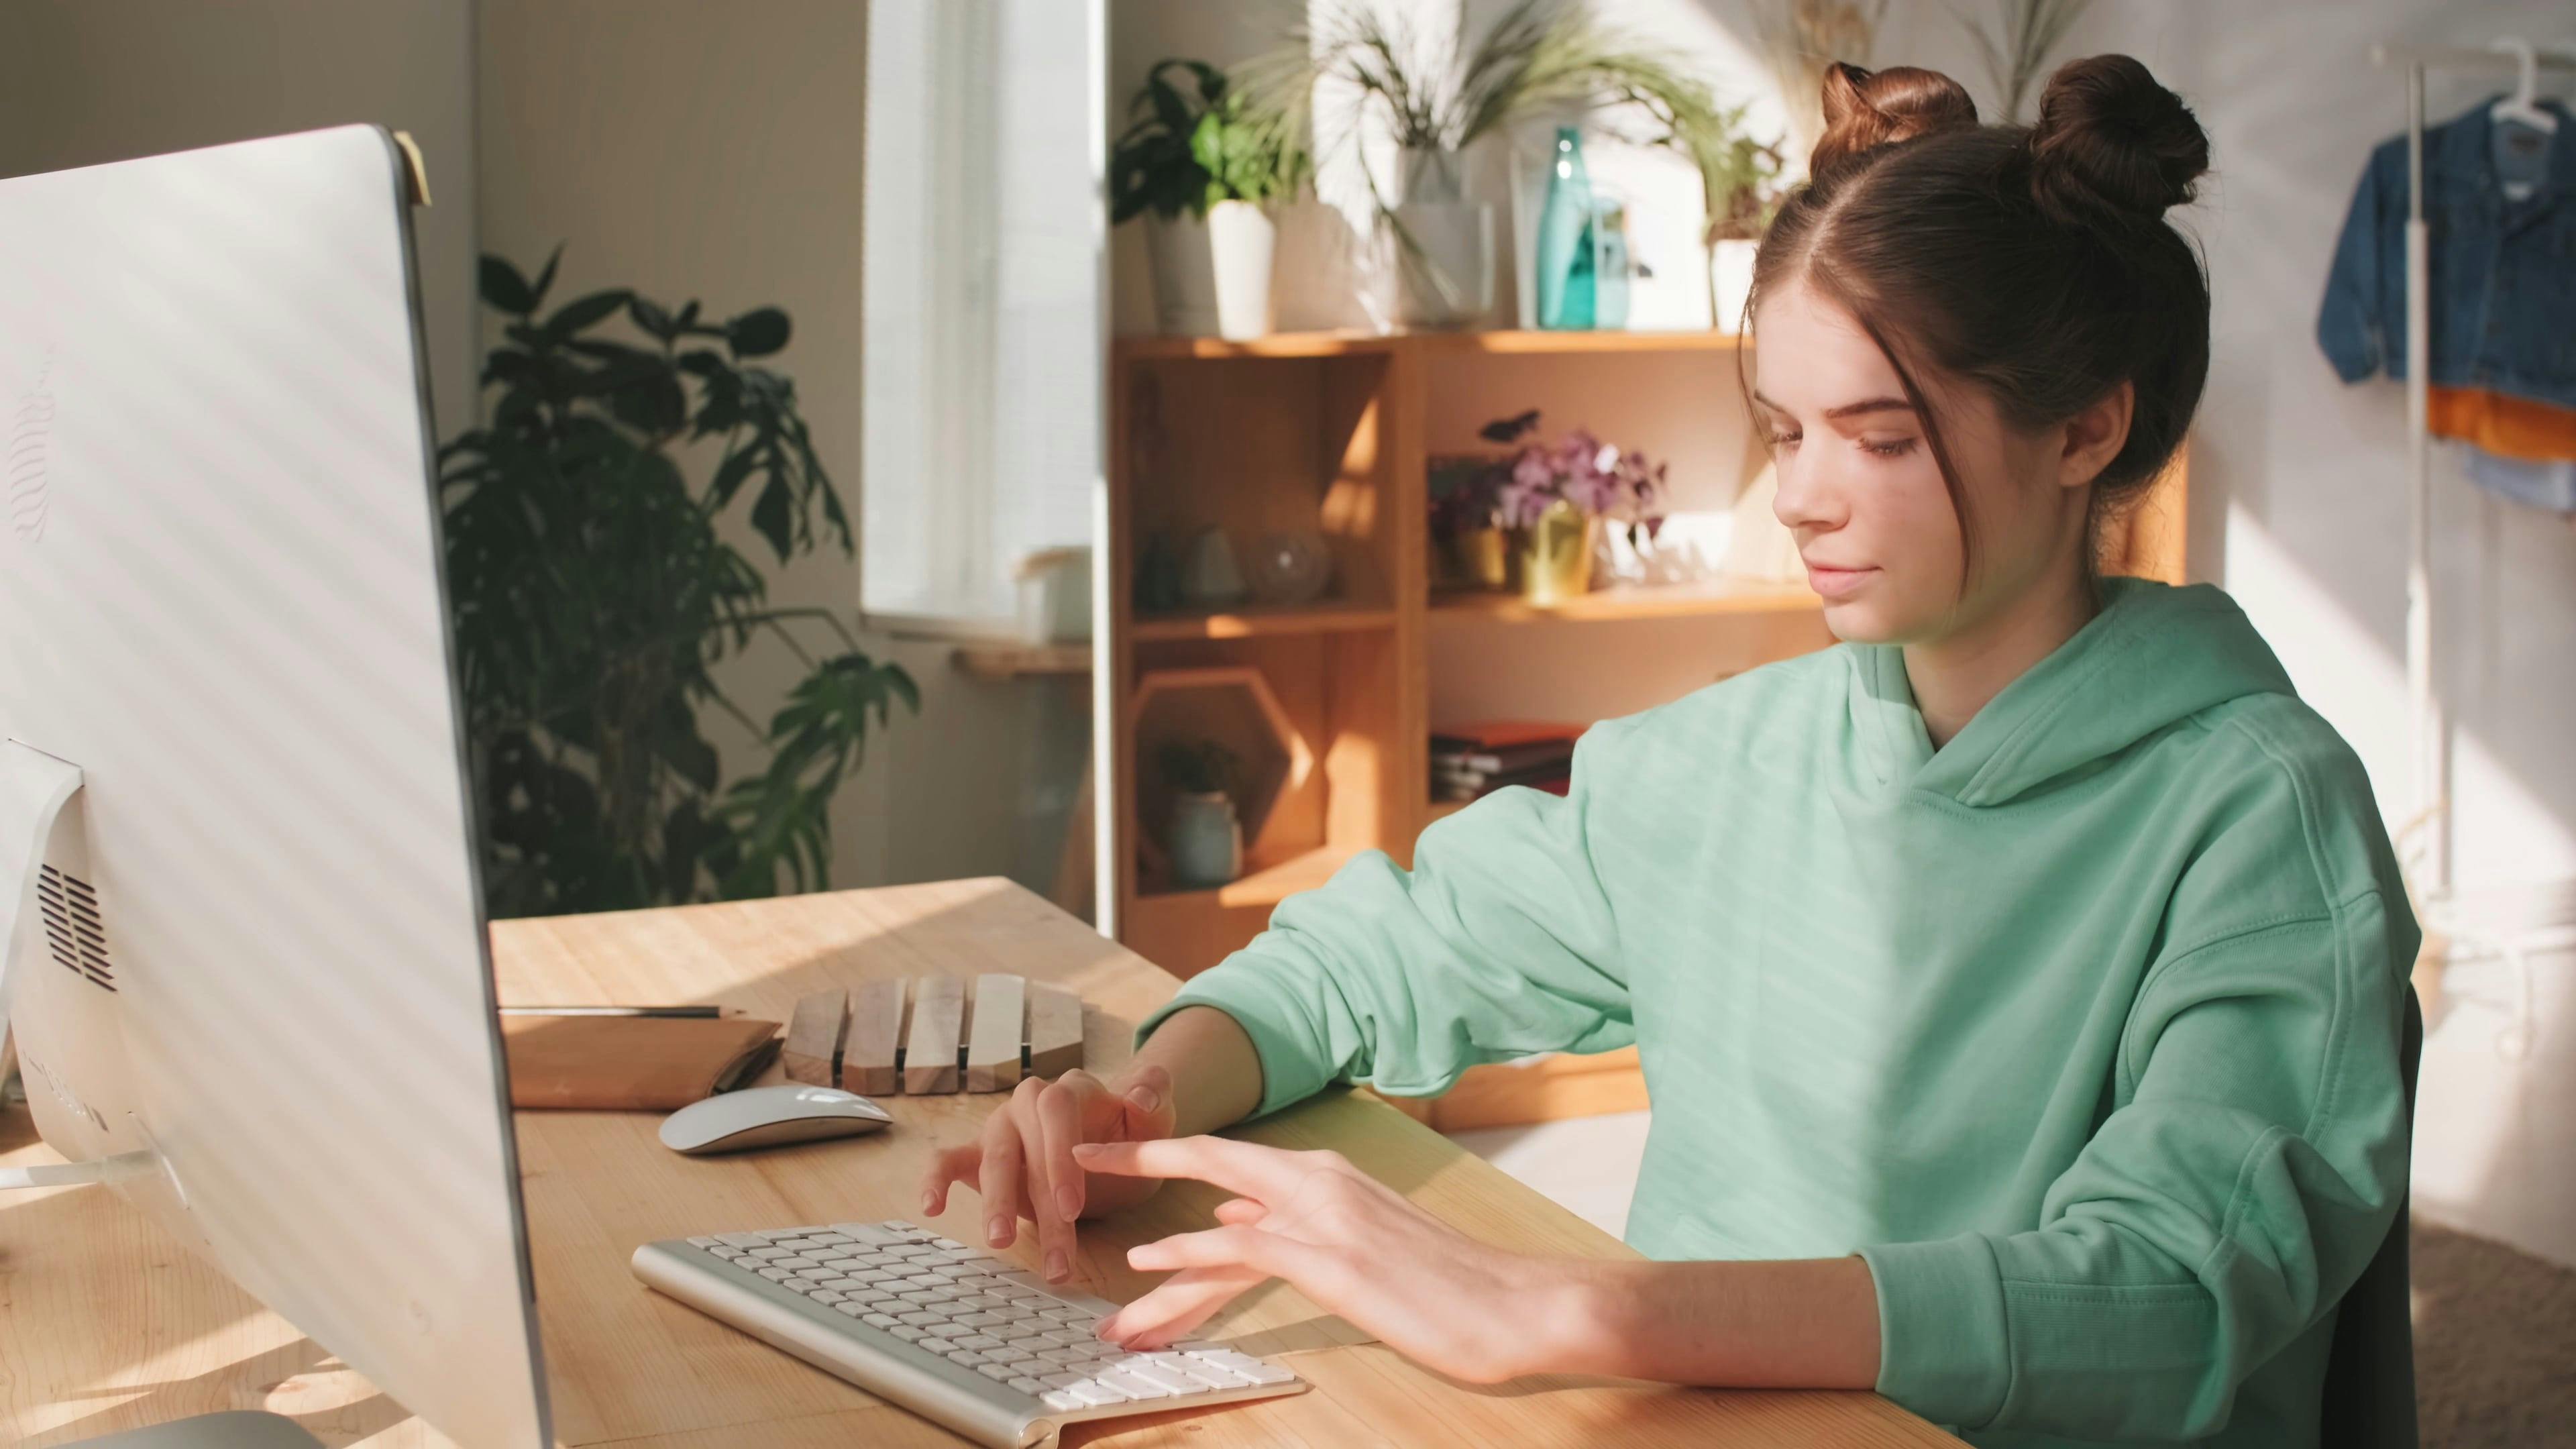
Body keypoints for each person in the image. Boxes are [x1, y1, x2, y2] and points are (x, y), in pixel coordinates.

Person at [922, 55, 2416, 1448]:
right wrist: (1147, 1101)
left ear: (2089, 428)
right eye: (1782, 431)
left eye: (1880, 439)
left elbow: (2163, 1295)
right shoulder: (1722, 760)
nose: (1803, 502)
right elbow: (1373, 957)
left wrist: (1566, 1304)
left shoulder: (2261, 818)